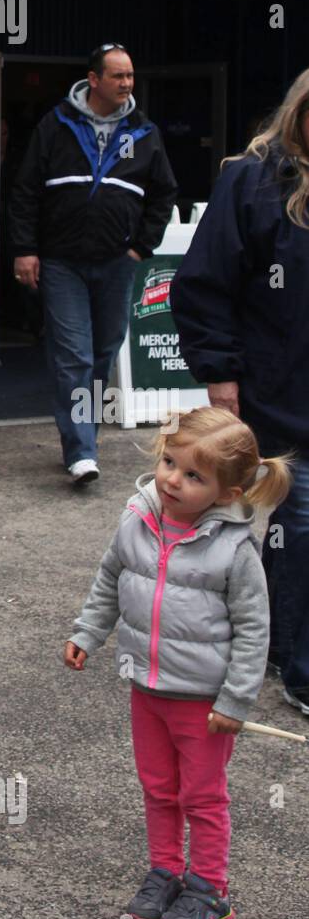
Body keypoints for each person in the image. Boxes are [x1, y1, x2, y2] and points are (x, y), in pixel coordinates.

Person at [65, 407, 291, 919]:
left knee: (203, 796)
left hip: (204, 701)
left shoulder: (236, 550)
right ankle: (165, 871)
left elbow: (255, 631)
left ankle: (209, 889)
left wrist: (236, 701)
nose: (172, 480)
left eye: (194, 476)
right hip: (146, 687)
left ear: (228, 493)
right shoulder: (137, 520)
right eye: (169, 463)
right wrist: (86, 634)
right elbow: (109, 579)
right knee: (159, 787)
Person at [172, 67, 309, 720]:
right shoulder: (253, 179)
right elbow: (203, 284)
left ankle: (280, 640)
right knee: (299, 521)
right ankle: (293, 659)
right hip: (273, 393)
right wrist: (221, 380)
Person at [10, 44, 178, 486]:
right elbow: (26, 190)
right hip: (62, 261)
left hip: (117, 261)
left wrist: (142, 246)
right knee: (74, 355)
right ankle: (81, 450)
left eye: (131, 76)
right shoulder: (56, 124)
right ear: (95, 79)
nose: (126, 84)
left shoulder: (143, 132)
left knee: (103, 351)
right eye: (118, 76)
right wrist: (25, 248)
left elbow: (164, 193)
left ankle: (83, 431)